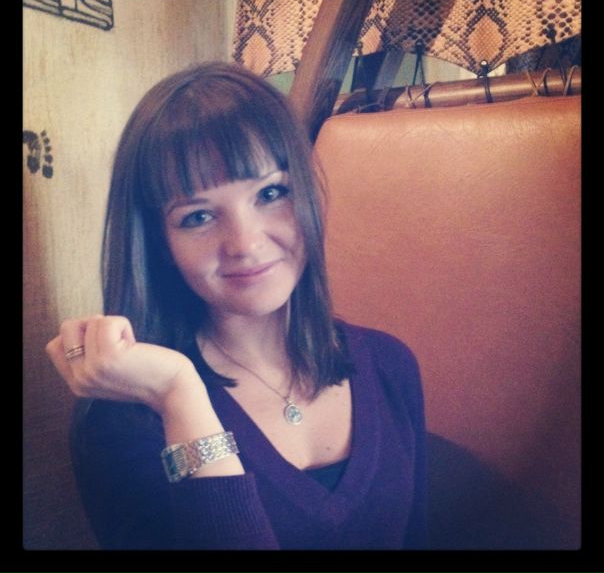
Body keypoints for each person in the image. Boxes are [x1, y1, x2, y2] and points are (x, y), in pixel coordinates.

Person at [46, 62, 426, 550]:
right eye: (198, 216)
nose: (244, 244)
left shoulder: (390, 365)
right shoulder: (125, 419)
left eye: (271, 193)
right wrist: (179, 395)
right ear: (160, 242)